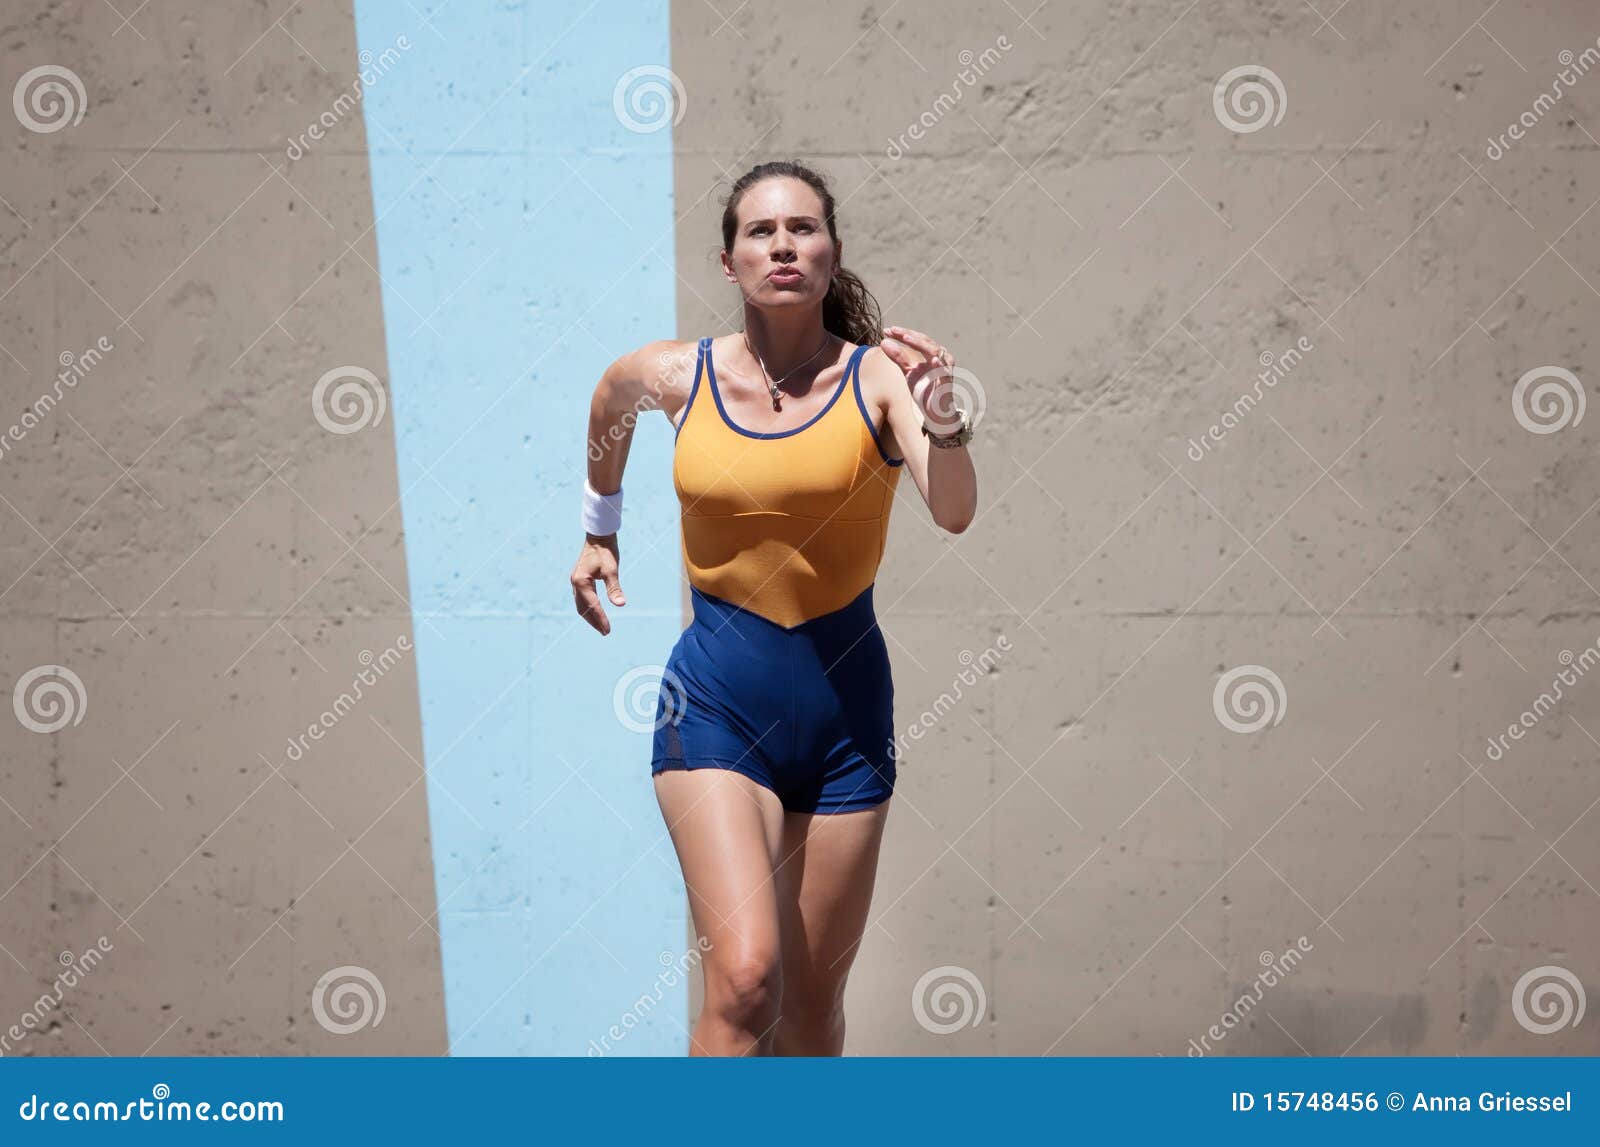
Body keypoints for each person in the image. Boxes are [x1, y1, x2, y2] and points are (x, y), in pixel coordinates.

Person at [570, 160, 978, 1055]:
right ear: (729, 262)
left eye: (804, 229)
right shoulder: (678, 374)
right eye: (761, 231)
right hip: (715, 703)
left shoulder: (878, 381)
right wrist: (601, 528)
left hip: (846, 715)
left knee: (808, 1014)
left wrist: (943, 420)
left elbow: (952, 509)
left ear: (832, 254)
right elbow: (611, 395)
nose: (784, 245)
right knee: (748, 978)